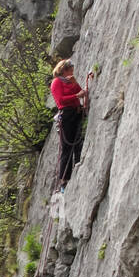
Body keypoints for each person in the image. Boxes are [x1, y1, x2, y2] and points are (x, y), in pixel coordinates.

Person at [50, 58, 88, 187]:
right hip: (66, 115)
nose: (72, 72)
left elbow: (80, 91)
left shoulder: (69, 81)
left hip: (76, 112)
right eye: (70, 69)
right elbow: (60, 101)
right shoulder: (56, 83)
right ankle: (64, 180)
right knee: (67, 147)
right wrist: (77, 96)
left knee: (78, 141)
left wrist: (75, 83)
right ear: (64, 70)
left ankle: (78, 167)